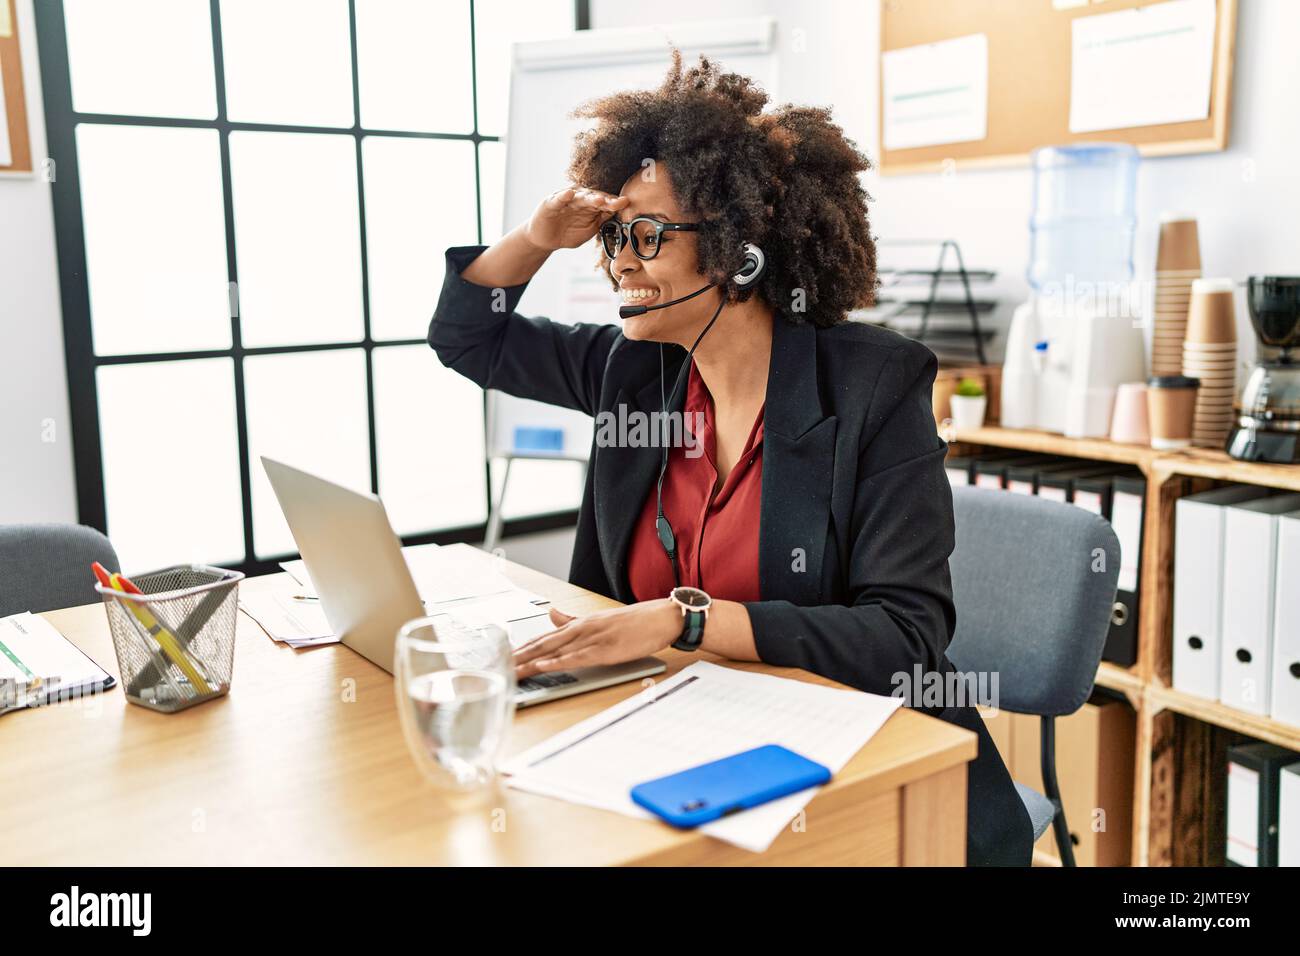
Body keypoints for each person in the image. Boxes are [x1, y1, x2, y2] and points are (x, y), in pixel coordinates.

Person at [428, 51, 1031, 866]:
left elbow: (904, 640)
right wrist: (540, 235)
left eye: (645, 234)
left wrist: (690, 619)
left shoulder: (874, 386)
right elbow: (470, 336)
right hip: (679, 738)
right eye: (612, 236)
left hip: (863, 769)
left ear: (740, 253)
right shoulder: (635, 372)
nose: (617, 262)